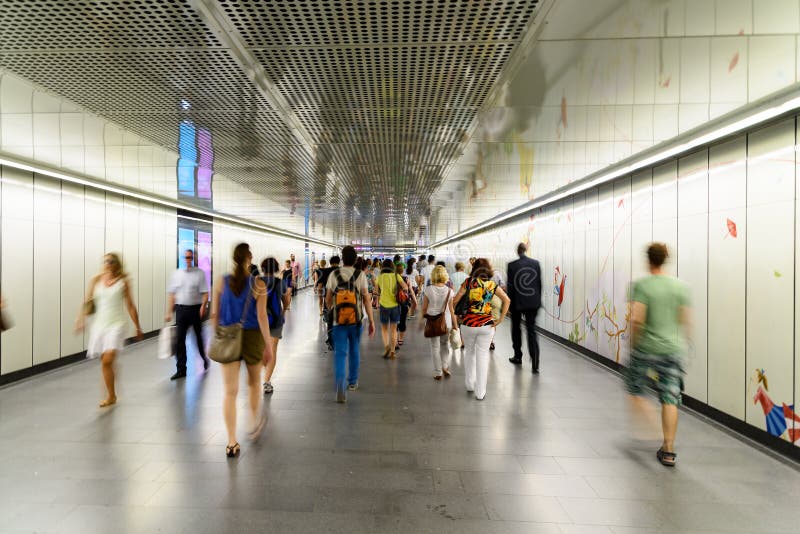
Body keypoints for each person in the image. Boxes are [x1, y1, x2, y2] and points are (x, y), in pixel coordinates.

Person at [627, 243, 691, 467]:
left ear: (648, 260)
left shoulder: (642, 286)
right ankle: (668, 449)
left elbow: (637, 319)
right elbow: (684, 320)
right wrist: (684, 344)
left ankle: (652, 426)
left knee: (634, 389)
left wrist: (633, 345)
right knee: (670, 398)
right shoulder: (680, 287)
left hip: (646, 348)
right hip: (673, 349)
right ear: (665, 259)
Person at [209, 243, 273, 457]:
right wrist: (269, 346)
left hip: (227, 336)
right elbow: (263, 318)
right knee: (254, 383)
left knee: (230, 391)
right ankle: (252, 422)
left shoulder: (220, 282)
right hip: (253, 337)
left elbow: (214, 315)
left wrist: (215, 336)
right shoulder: (258, 284)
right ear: (250, 258)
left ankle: (231, 441)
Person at [75, 253, 143, 407]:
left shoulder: (123, 282)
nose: (107, 263)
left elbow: (130, 305)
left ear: (117, 264)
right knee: (106, 362)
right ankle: (112, 395)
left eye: (111, 261)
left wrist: (137, 326)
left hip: (117, 324)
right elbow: (87, 302)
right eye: (105, 261)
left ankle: (111, 392)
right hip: (99, 326)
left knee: (108, 358)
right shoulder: (95, 280)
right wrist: (80, 320)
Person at [453, 258, 509, 400]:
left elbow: (454, 301)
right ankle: (480, 392)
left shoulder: (468, 283)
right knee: (483, 356)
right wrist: (501, 318)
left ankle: (469, 384)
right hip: (486, 325)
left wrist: (456, 316)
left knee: (469, 353)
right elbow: (507, 300)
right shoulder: (492, 285)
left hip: (468, 325)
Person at [325, 246, 375, 403]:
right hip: (356, 320)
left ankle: (340, 385)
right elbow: (366, 299)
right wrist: (372, 321)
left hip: (338, 321)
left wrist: (333, 310)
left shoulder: (334, 274)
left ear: (341, 258)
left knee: (340, 353)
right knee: (354, 350)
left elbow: (327, 299)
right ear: (355, 259)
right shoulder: (360, 275)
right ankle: (352, 382)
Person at [165, 248, 209, 380]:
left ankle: (204, 358)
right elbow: (172, 294)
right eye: (186, 257)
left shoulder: (199, 273)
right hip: (181, 310)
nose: (188, 260)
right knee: (179, 341)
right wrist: (169, 311)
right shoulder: (176, 274)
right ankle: (181, 369)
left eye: (190, 257)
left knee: (198, 339)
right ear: (183, 259)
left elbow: (205, 293)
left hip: (195, 310)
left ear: (193, 259)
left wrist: (203, 306)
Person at [507, 243, 542, 372]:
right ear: (526, 250)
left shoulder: (512, 265)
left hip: (516, 303)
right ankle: (535, 363)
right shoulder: (536, 263)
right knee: (531, 331)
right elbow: (539, 284)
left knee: (516, 329)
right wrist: (537, 300)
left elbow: (510, 287)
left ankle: (518, 356)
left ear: (517, 251)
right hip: (533, 302)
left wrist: (509, 305)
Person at [422, 265, 458, 380]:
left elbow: (424, 309)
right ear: (445, 276)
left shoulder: (428, 290)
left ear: (433, 275)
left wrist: (423, 319)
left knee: (435, 347)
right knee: (445, 345)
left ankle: (438, 372)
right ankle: (445, 367)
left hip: (433, 322)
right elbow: (452, 310)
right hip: (446, 322)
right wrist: (455, 325)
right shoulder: (450, 291)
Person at [260, 257, 290, 395]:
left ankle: (258, 372)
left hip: (259, 321)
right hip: (276, 320)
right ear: (277, 268)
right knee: (272, 350)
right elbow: (286, 301)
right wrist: (283, 312)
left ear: (263, 268)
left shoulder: (257, 282)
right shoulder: (280, 282)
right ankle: (266, 382)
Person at [376, 258, 408, 359]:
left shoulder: (380, 277)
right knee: (394, 329)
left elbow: (376, 292)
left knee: (384, 329)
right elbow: (405, 287)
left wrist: (378, 299)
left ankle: (386, 346)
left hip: (384, 305)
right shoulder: (396, 275)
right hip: (395, 305)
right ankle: (393, 351)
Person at [319, 255, 340, 350]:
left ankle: (331, 342)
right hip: (341, 299)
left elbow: (320, 286)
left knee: (329, 321)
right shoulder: (343, 271)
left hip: (328, 299)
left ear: (330, 262)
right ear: (339, 262)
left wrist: (320, 295)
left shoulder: (324, 271)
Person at [396, 262, 417, 348]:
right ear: (402, 270)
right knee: (402, 321)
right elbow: (411, 291)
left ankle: (395, 339)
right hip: (404, 303)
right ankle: (400, 339)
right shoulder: (406, 279)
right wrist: (415, 301)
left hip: (394, 303)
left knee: (394, 322)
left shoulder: (393, 279)